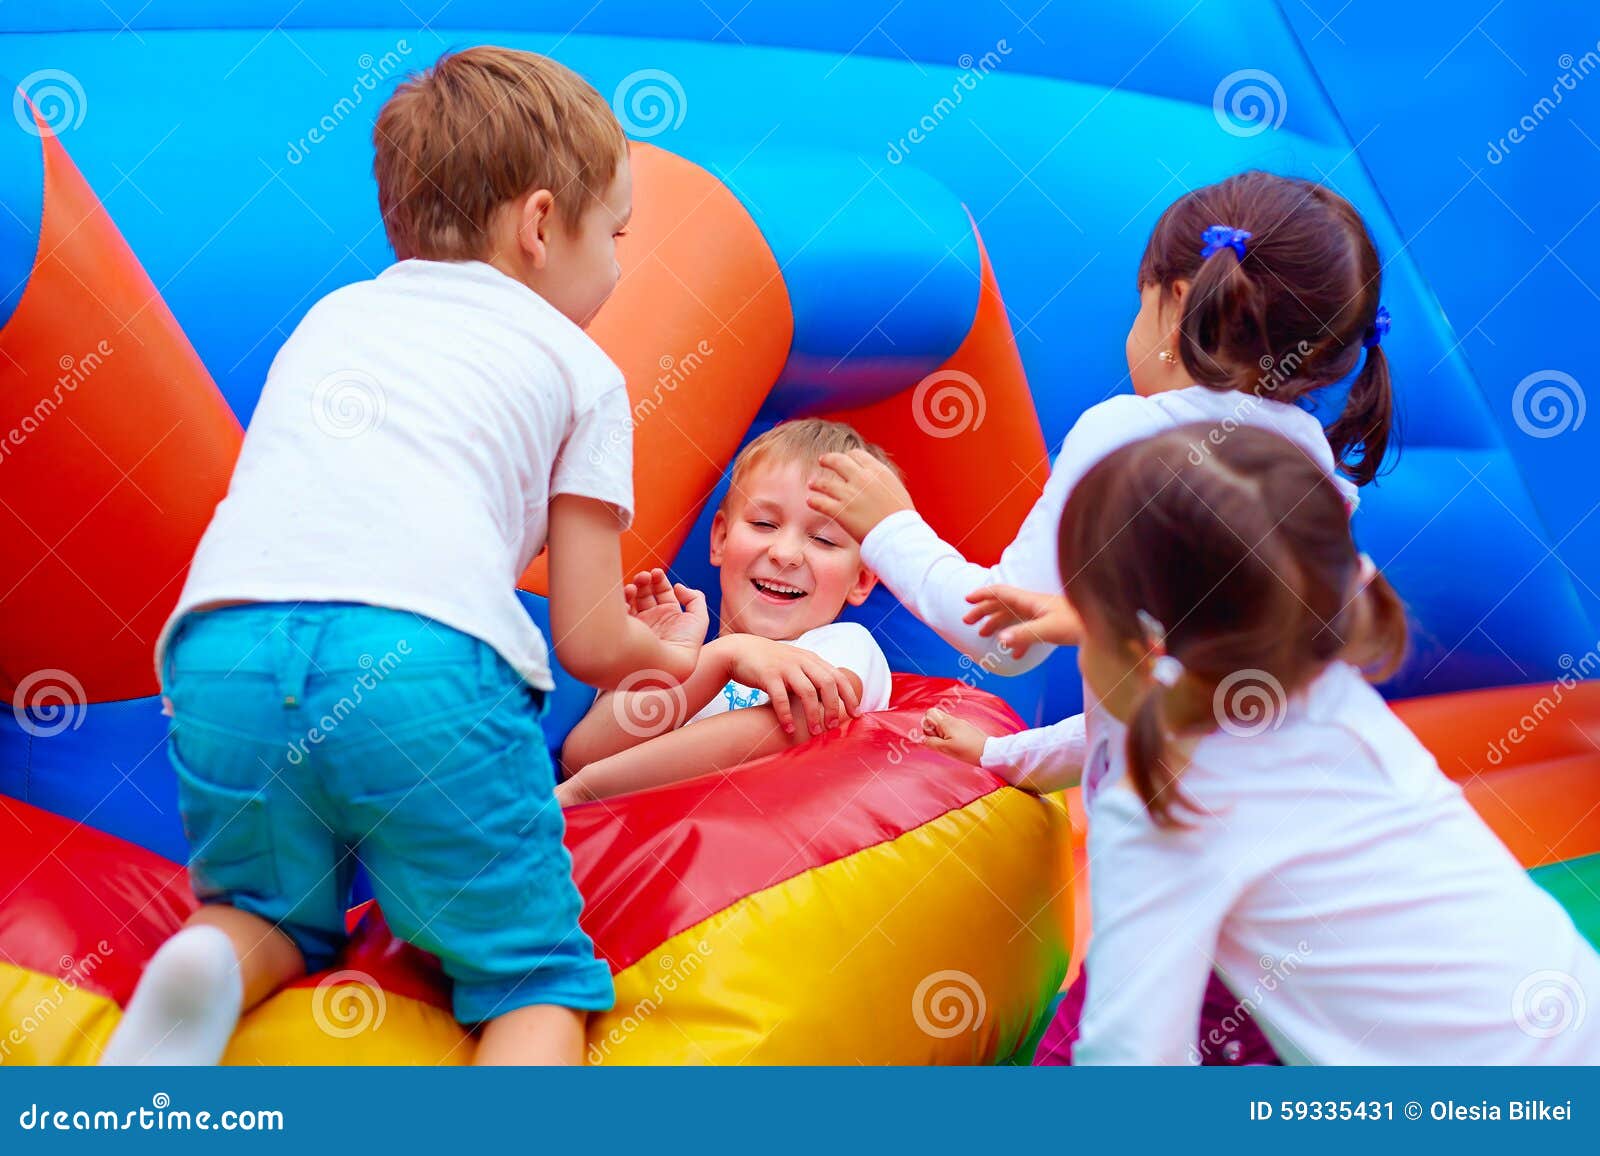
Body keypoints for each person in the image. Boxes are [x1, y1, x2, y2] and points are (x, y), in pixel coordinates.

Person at [100, 47, 704, 1067]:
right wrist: (681, 656)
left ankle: (210, 959)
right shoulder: (581, 369)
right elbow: (594, 637)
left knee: (271, 910)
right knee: (531, 979)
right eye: (617, 235)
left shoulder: (334, 319)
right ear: (542, 225)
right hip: (421, 661)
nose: (616, 265)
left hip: (221, 647)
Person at [1052, 425, 1600, 1063]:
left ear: (1143, 653)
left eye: (1083, 619)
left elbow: (1128, 1066)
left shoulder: (1164, 804)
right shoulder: (1335, 699)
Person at [557, 420, 894, 804]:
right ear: (720, 538)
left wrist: (590, 788)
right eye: (764, 523)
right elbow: (583, 756)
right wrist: (698, 662)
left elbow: (808, 720)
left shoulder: (845, 646)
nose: (784, 554)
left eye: (823, 538)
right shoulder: (685, 655)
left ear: (862, 580)